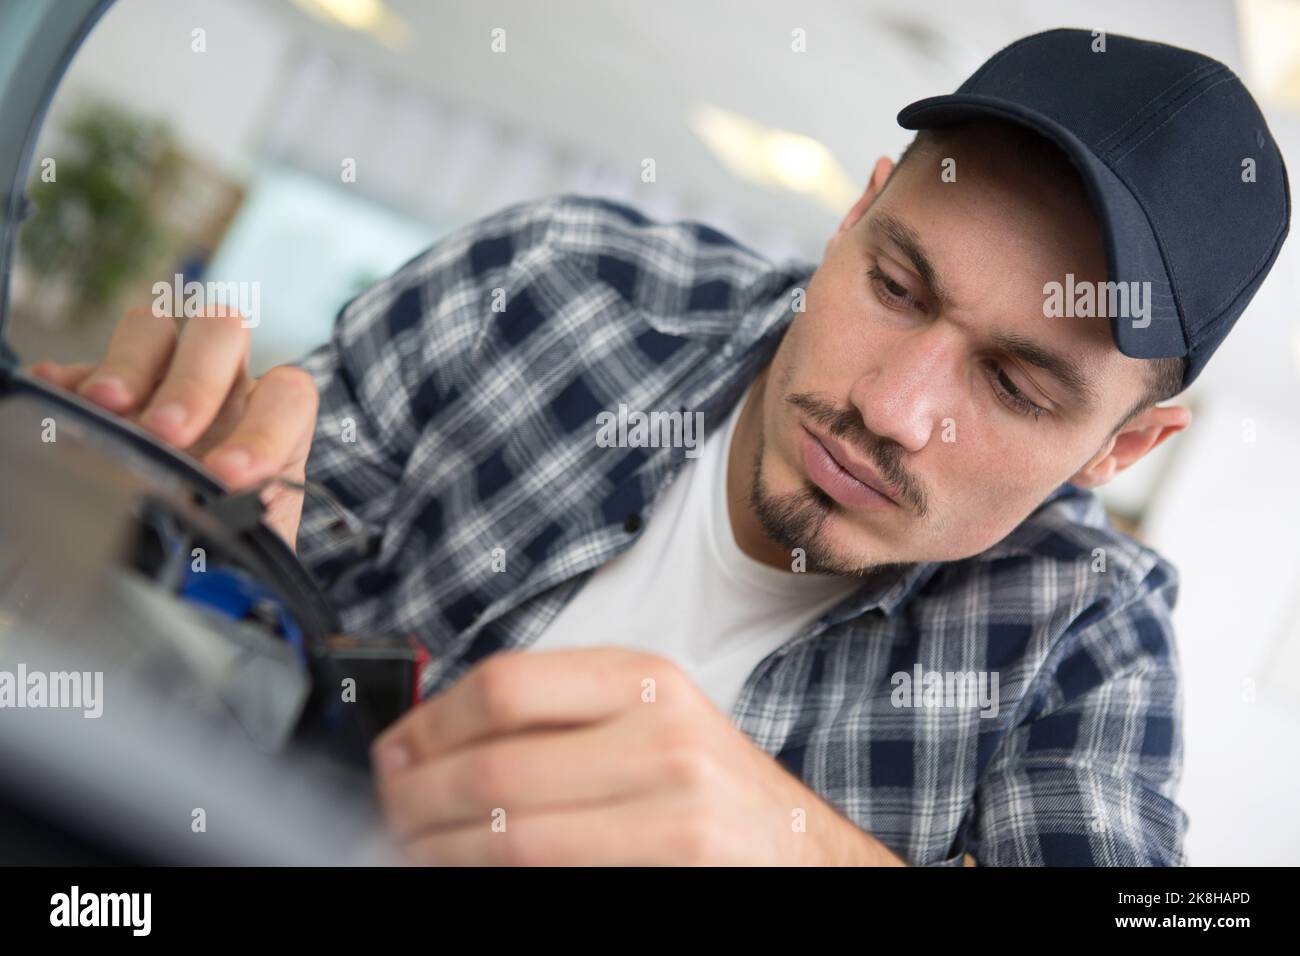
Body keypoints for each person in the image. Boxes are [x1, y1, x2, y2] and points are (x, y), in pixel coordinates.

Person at [28, 28, 1290, 865]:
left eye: (1016, 382)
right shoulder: (553, 284)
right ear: (853, 215)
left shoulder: (1083, 637)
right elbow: (232, 587)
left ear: (1124, 448)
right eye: (898, 286)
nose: (895, 409)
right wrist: (157, 499)